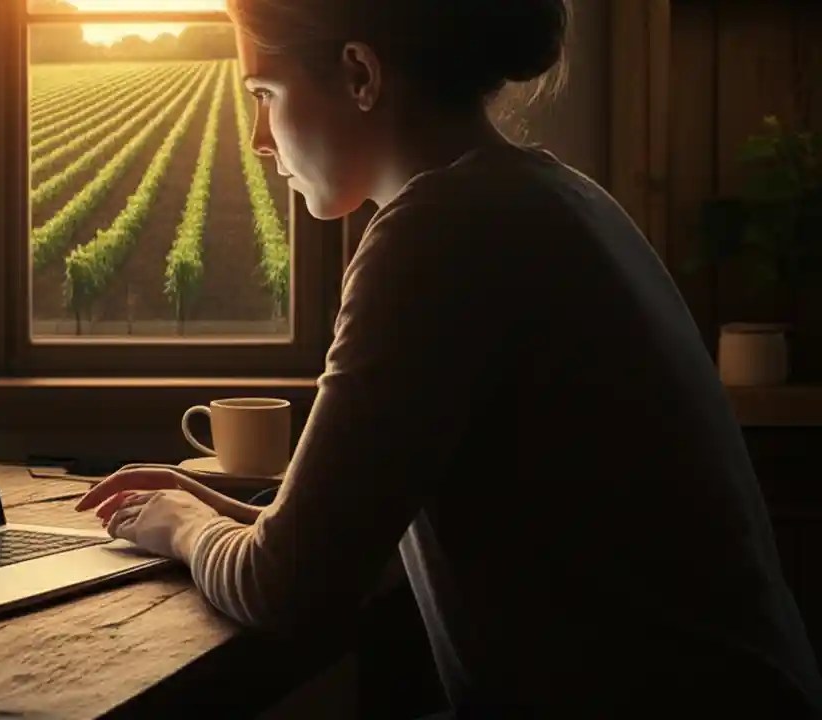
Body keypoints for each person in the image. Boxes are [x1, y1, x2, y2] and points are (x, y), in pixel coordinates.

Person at [75, 0, 822, 716]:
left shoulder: (437, 235)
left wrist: (179, 527)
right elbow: (331, 541)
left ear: (361, 75)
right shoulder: (561, 197)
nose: (259, 138)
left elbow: (287, 589)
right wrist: (195, 504)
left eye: (265, 93)